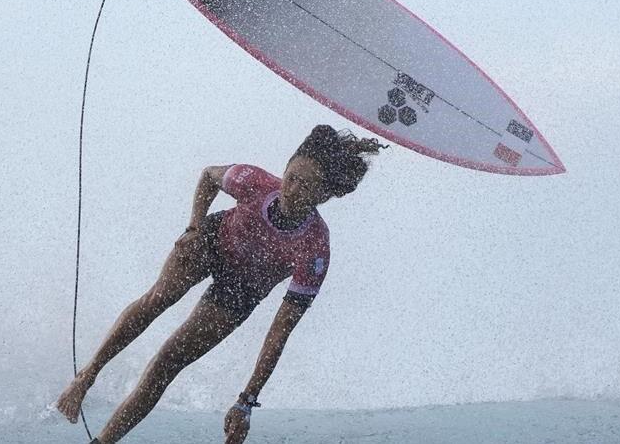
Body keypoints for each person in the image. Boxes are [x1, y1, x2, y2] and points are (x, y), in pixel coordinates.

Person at [56, 124, 385, 443]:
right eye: (292, 177)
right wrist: (194, 227)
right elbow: (209, 176)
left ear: (326, 195)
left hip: (241, 291)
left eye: (306, 186)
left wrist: (246, 402)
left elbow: (278, 333)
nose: (292, 189)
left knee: (167, 363)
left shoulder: (314, 249)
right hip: (212, 241)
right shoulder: (254, 181)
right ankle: (86, 377)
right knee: (158, 298)